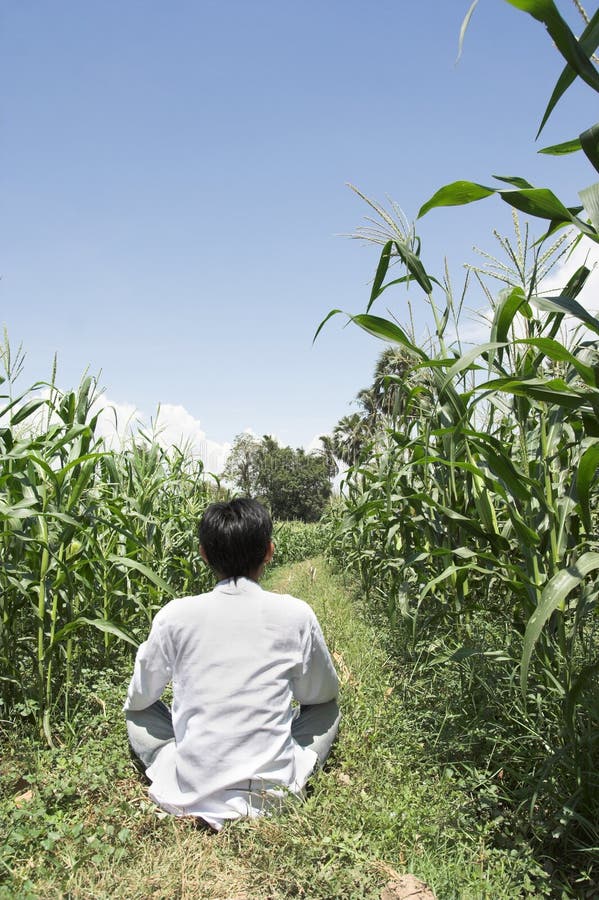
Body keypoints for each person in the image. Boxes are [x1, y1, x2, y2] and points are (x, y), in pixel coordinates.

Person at [124, 498, 340, 831]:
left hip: (191, 791)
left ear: (204, 554)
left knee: (138, 712)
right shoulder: (296, 614)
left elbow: (140, 698)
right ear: (269, 551)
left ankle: (179, 764)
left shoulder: (174, 615)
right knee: (327, 709)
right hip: (274, 796)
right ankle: (282, 771)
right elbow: (321, 695)